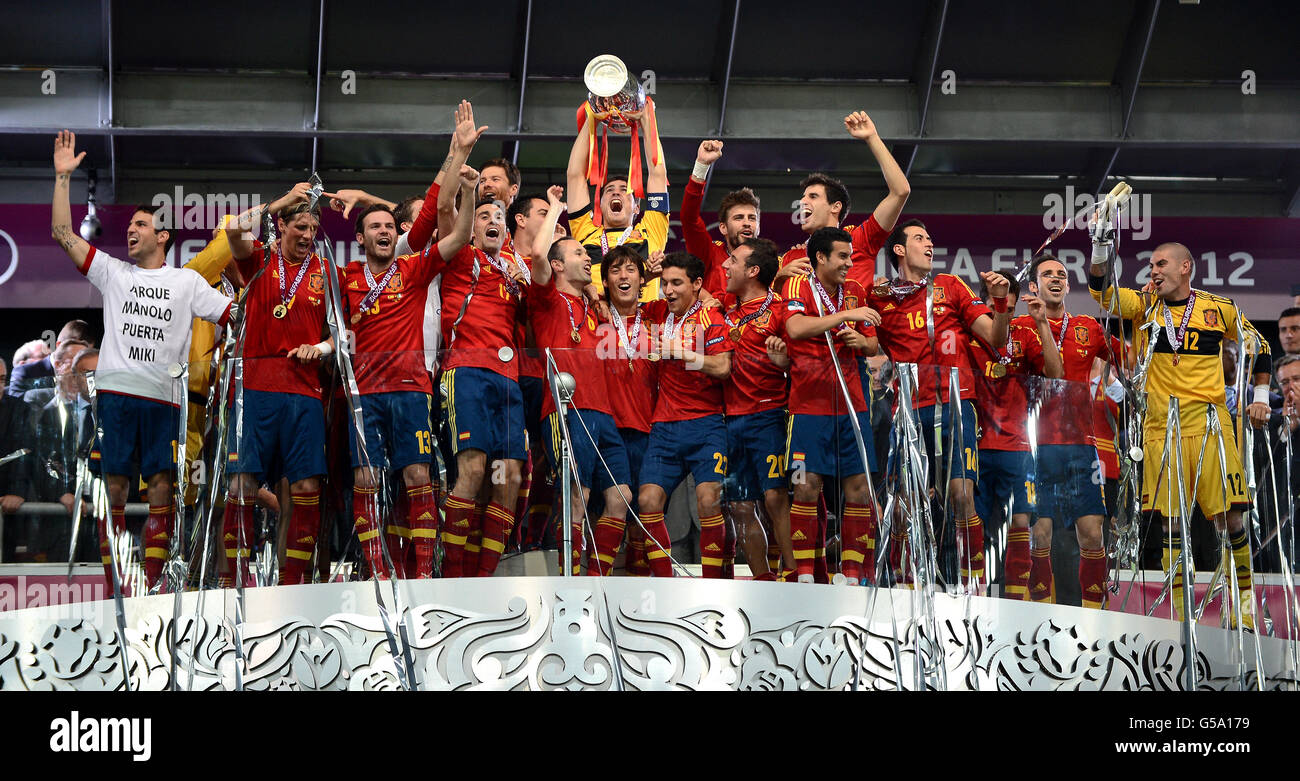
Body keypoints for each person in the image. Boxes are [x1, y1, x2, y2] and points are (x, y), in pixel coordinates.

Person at [51, 130, 233, 592]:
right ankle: (116, 587)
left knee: (161, 492)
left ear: (163, 235)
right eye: (129, 226)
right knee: (112, 491)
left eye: (140, 225)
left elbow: (236, 315)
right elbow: (61, 233)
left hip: (164, 403)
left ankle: (153, 590)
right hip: (116, 397)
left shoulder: (187, 281)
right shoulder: (112, 272)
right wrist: (61, 178)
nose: (130, 230)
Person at [1090, 237, 1271, 628]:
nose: (1153, 271)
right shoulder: (1143, 305)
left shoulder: (1218, 308)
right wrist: (1100, 248)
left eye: (1160, 264)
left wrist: (1259, 396)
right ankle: (1177, 616)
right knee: (1172, 523)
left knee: (1231, 520)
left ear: (1185, 267)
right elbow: (1100, 292)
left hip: (1210, 427)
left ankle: (1242, 607)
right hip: (1161, 429)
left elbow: (1261, 346)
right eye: (1150, 266)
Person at [343, 163, 476, 579]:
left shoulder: (412, 270)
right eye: (375, 226)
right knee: (366, 478)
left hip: (410, 390)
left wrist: (466, 189)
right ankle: (380, 571)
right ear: (360, 237)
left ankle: (422, 575)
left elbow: (456, 238)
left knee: (418, 474)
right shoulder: (344, 277)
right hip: (363, 395)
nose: (383, 232)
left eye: (388, 226)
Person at [869, 220, 1011, 588]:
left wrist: (1001, 302)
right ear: (899, 250)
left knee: (961, 495)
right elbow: (867, 344)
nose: (929, 243)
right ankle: (903, 584)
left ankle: (973, 585)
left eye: (931, 238)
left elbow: (996, 335)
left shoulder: (950, 285)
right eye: (919, 238)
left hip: (957, 403)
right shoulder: (880, 298)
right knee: (903, 503)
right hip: (909, 410)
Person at [223, 184, 337, 585]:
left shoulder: (326, 273)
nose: (307, 235)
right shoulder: (256, 260)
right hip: (255, 389)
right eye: (300, 226)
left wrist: (320, 347)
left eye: (313, 228)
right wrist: (279, 200)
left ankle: (292, 587)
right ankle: (235, 585)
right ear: (282, 225)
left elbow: (344, 335)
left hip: (305, 393)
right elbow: (233, 230)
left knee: (305, 487)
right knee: (242, 484)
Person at [525, 186, 633, 574]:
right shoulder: (546, 299)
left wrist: (593, 294)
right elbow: (538, 254)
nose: (588, 258)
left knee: (620, 497)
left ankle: (596, 577)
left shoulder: (592, 305)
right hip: (566, 410)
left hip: (604, 414)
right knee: (577, 494)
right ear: (558, 266)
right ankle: (568, 580)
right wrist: (555, 209)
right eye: (578, 253)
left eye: (587, 253)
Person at [780, 228, 880, 584]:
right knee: (805, 486)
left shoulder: (855, 291)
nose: (849, 264)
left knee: (860, 489)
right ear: (820, 257)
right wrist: (841, 320)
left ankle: (851, 575)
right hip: (808, 407)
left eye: (851, 256)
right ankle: (805, 574)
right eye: (842, 256)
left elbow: (874, 345)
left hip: (853, 406)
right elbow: (794, 327)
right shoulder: (798, 287)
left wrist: (861, 341)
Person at [637, 252, 734, 577]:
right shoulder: (655, 312)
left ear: (696, 285)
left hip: (706, 426)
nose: (669, 290)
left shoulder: (711, 319)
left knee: (709, 500)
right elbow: (622, 303)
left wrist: (683, 353)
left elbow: (723, 367)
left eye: (677, 283)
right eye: (665, 284)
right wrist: (647, 278)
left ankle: (712, 584)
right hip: (664, 428)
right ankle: (666, 582)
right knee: (648, 499)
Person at [968, 277, 1062, 600]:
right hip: (977, 443)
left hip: (1018, 446)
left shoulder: (1025, 335)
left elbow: (1056, 373)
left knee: (1020, 519)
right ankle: (973, 595)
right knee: (971, 518)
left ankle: (1016, 601)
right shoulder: (972, 334)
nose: (1005, 308)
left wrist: (1042, 324)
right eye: (998, 302)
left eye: (1010, 301)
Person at [719, 238, 791, 581]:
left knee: (775, 498)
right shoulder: (722, 311)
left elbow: (801, 364)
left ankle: (794, 579)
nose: (724, 266)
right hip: (730, 419)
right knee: (738, 506)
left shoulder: (781, 310)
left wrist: (784, 360)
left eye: (732, 260)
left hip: (769, 416)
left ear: (753, 271)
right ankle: (764, 583)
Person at [776, 111, 910, 291]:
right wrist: (777, 280)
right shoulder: (791, 258)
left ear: (835, 207)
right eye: (802, 198)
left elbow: (900, 192)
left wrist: (872, 138)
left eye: (813, 196)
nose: (802, 203)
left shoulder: (861, 241)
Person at [566, 107, 669, 301]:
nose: (616, 192)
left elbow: (657, 174)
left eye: (625, 190)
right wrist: (592, 119)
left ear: (637, 207)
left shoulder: (650, 232)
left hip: (642, 324)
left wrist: (646, 121)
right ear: (600, 204)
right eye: (609, 190)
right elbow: (575, 176)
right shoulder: (584, 232)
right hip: (594, 322)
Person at [599, 246, 660, 573]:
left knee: (642, 511)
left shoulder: (657, 317)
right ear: (605, 281)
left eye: (631, 270)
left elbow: (699, 296)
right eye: (615, 270)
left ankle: (640, 589)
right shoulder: (593, 315)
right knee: (610, 507)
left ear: (642, 278)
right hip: (606, 429)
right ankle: (595, 586)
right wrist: (591, 295)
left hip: (648, 428)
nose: (624, 276)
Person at [679, 140, 760, 298]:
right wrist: (701, 166)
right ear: (723, 227)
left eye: (752, 218)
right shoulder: (710, 255)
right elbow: (689, 219)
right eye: (738, 218)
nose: (747, 223)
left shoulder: (770, 261)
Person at [7, 320, 94, 397]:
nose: (82, 360)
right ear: (59, 345)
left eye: (86, 354)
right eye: (77, 355)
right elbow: (16, 408)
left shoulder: (88, 374)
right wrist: (62, 390)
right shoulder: (25, 372)